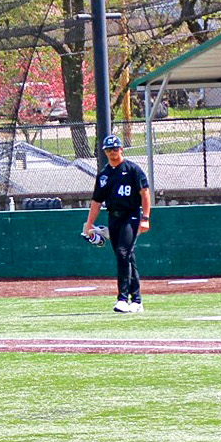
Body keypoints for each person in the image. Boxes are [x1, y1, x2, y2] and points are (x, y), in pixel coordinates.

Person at [83, 134, 152, 313]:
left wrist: (145, 218)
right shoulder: (104, 175)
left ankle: (122, 298)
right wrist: (89, 224)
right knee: (128, 256)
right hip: (114, 217)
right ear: (105, 152)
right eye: (109, 150)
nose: (112, 153)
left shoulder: (132, 170)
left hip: (131, 215)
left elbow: (145, 193)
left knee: (123, 253)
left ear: (121, 149)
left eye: (115, 149)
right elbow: (96, 201)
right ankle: (137, 300)